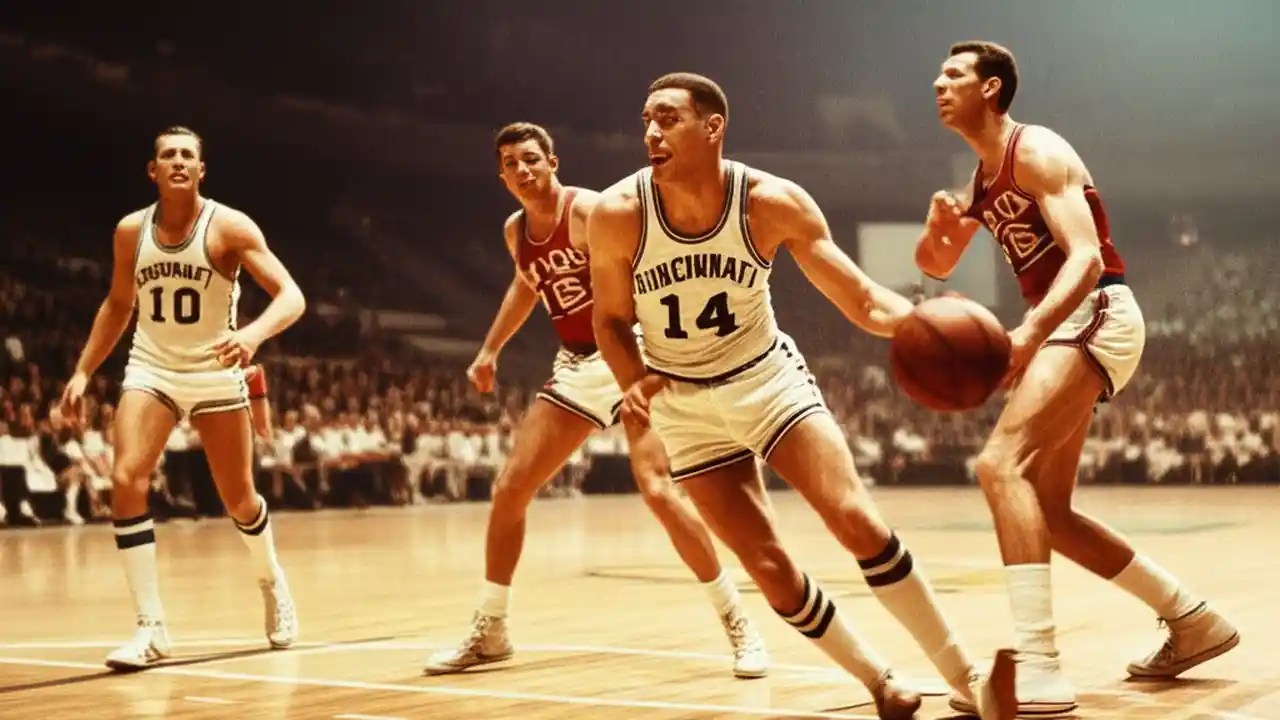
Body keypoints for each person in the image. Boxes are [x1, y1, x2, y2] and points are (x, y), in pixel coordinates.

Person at [589, 73, 1011, 719]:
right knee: (767, 566)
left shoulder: (771, 202)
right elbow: (610, 320)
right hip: (684, 403)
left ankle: (966, 675)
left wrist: (928, 325)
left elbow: (862, 299)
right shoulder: (618, 212)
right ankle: (879, 681)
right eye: (646, 119)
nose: (651, 132)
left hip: (764, 378)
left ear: (713, 127)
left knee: (854, 519)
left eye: (668, 118)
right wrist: (632, 380)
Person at [921, 41, 1239, 715]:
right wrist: (937, 232)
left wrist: (1030, 333)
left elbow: (1088, 258)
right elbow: (937, 264)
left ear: (991, 88)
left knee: (999, 466)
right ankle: (1193, 619)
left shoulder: (1035, 151)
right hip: (1065, 324)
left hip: (1094, 311)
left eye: (954, 75)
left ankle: (1038, 669)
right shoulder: (980, 179)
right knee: (1048, 511)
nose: (938, 84)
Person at [425, 122, 768, 679]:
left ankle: (738, 623)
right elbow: (526, 285)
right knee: (510, 487)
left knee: (657, 490)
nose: (522, 170)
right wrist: (489, 350)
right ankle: (491, 630)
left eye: (531, 158)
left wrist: (666, 352)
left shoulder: (590, 212)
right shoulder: (516, 231)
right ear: (502, 177)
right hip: (579, 365)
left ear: (553, 162)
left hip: (634, 352)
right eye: (510, 164)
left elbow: (651, 271)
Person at [60, 126, 306, 670]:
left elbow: (292, 296)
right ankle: (151, 628)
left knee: (239, 500)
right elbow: (119, 304)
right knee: (126, 478)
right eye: (167, 155)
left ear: (200, 170)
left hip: (216, 372)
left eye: (187, 155)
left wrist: (252, 335)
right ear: (153, 171)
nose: (177, 161)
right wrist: (82, 371)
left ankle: (271, 579)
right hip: (152, 368)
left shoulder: (230, 226)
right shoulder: (131, 231)